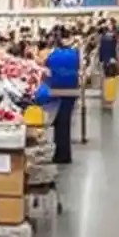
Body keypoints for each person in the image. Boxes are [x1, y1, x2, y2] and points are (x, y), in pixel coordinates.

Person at [44, 32, 81, 164]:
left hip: (56, 91)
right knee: (65, 123)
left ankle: (62, 155)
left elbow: (47, 69)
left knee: (59, 122)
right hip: (71, 91)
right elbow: (78, 68)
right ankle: (63, 154)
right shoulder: (75, 54)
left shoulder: (52, 55)